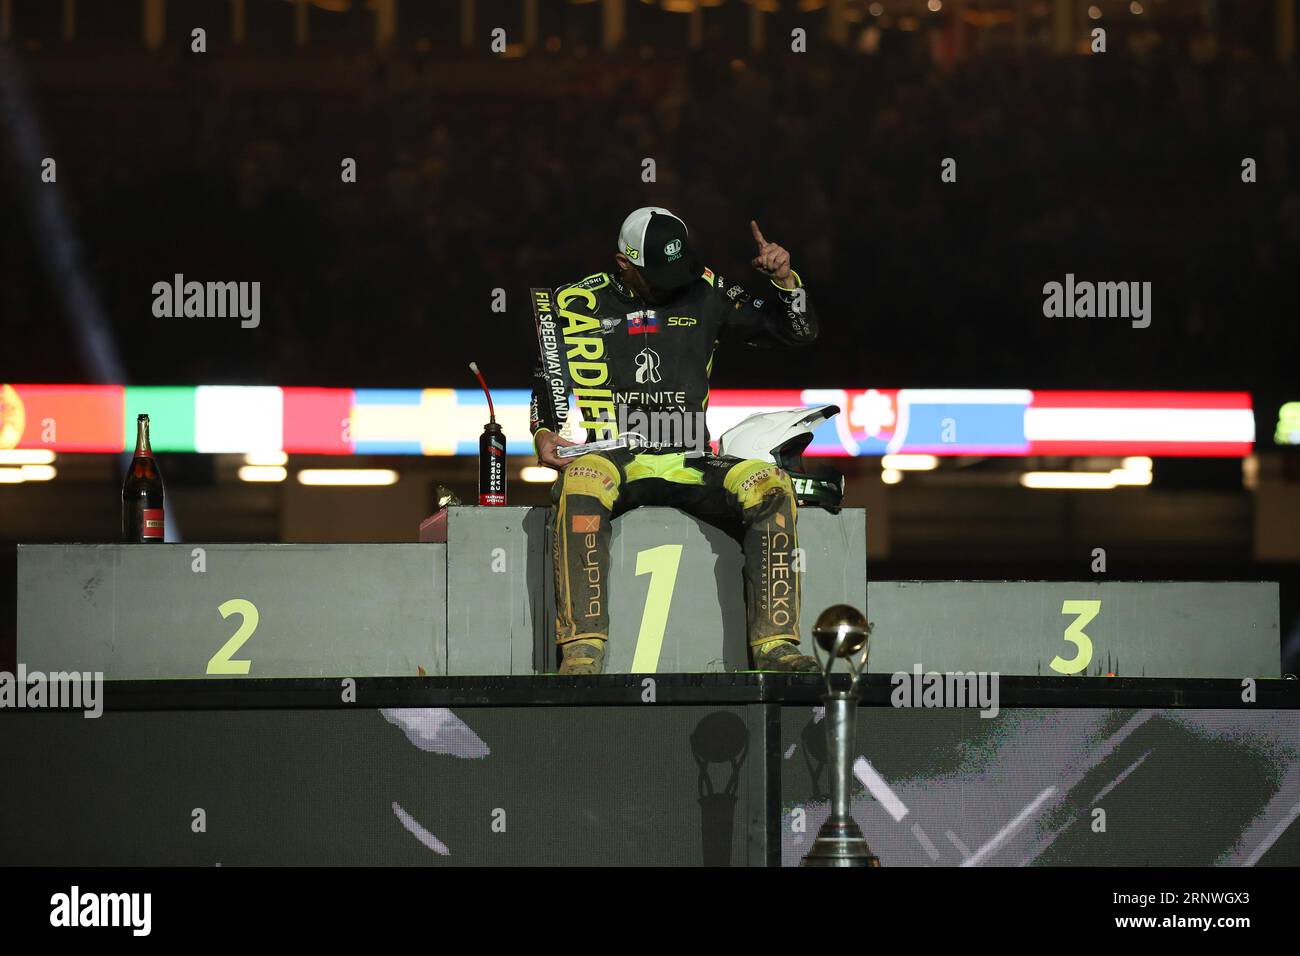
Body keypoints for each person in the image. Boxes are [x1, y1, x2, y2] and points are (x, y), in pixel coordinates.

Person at [529, 207, 821, 674]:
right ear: (624, 263)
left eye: (679, 266)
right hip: (613, 457)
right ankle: (582, 650)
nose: (675, 281)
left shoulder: (705, 286)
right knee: (579, 484)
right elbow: (547, 378)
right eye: (659, 273)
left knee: (770, 484)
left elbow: (798, 332)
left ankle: (776, 646)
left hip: (690, 458)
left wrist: (787, 284)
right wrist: (543, 431)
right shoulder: (576, 301)